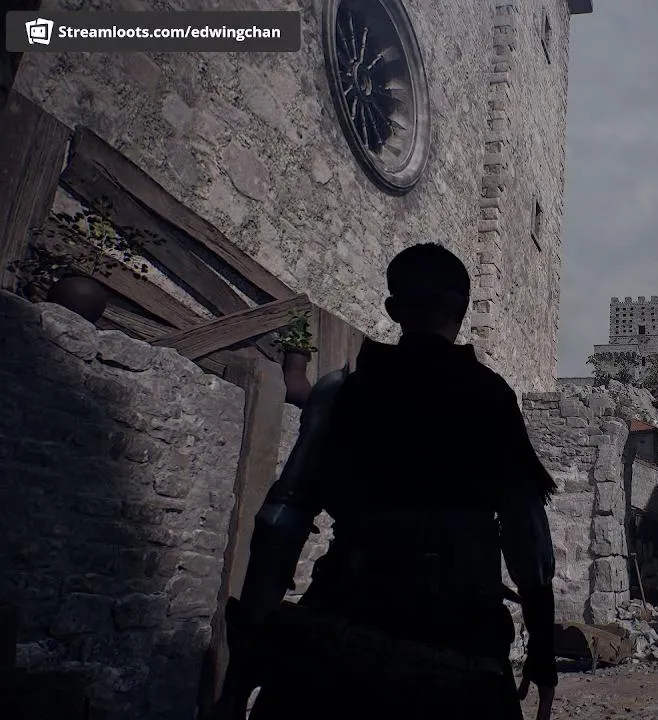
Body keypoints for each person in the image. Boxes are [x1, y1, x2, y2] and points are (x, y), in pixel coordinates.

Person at [221, 243, 558, 720]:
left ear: (393, 309)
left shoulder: (342, 391)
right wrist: (542, 648)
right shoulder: (493, 399)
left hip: (340, 629)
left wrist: (244, 663)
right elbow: (528, 539)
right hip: (459, 645)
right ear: (461, 311)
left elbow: (281, 520)